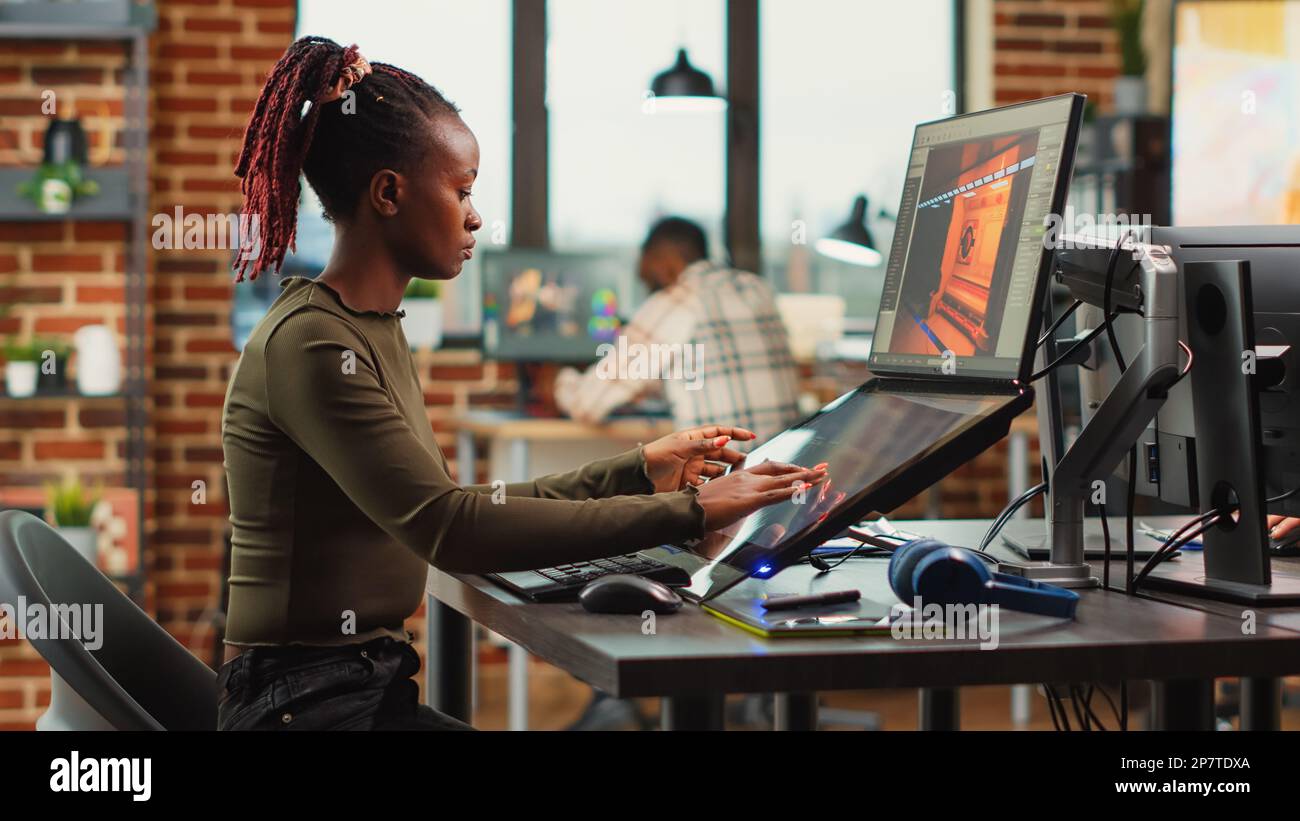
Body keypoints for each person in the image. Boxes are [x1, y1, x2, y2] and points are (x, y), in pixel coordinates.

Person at [217, 37, 826, 731]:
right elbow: (453, 529)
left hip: (359, 684)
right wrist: (692, 510)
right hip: (304, 705)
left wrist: (638, 471)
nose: (476, 215)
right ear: (389, 192)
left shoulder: (372, 328)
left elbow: (458, 507)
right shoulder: (313, 341)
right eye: (462, 190)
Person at [555, 217, 802, 447]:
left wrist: (556, 381)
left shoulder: (676, 303)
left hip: (730, 478)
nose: (647, 287)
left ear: (664, 262)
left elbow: (586, 405)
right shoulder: (757, 288)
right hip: (784, 471)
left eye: (647, 277)